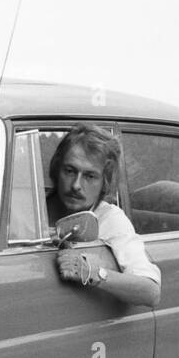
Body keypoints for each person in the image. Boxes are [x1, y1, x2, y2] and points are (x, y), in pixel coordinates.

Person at [48, 125, 161, 307]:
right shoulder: (27, 205)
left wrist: (91, 272)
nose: (76, 185)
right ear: (57, 169)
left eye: (90, 176)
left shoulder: (109, 219)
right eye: (69, 171)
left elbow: (151, 291)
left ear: (104, 181)